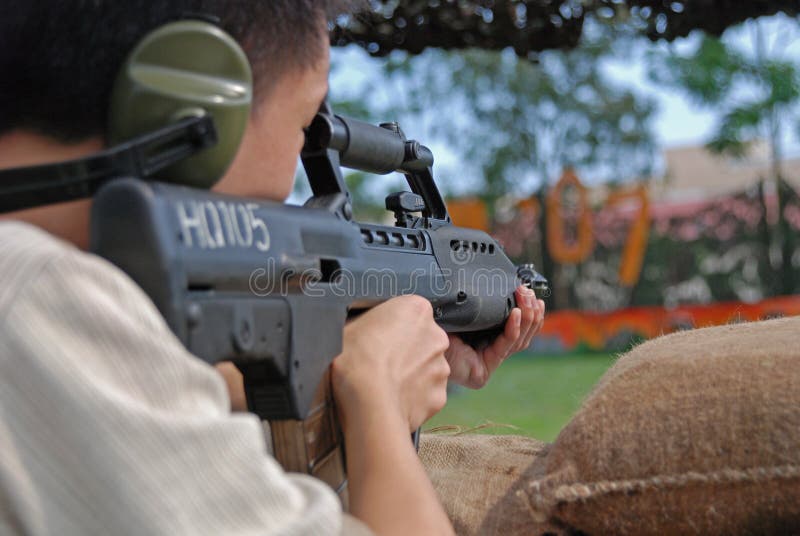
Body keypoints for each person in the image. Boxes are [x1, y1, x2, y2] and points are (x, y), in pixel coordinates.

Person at [0, 1, 546, 535]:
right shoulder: (45, 297)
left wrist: (346, 349)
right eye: (305, 125)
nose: (296, 180)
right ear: (193, 111)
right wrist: (378, 391)